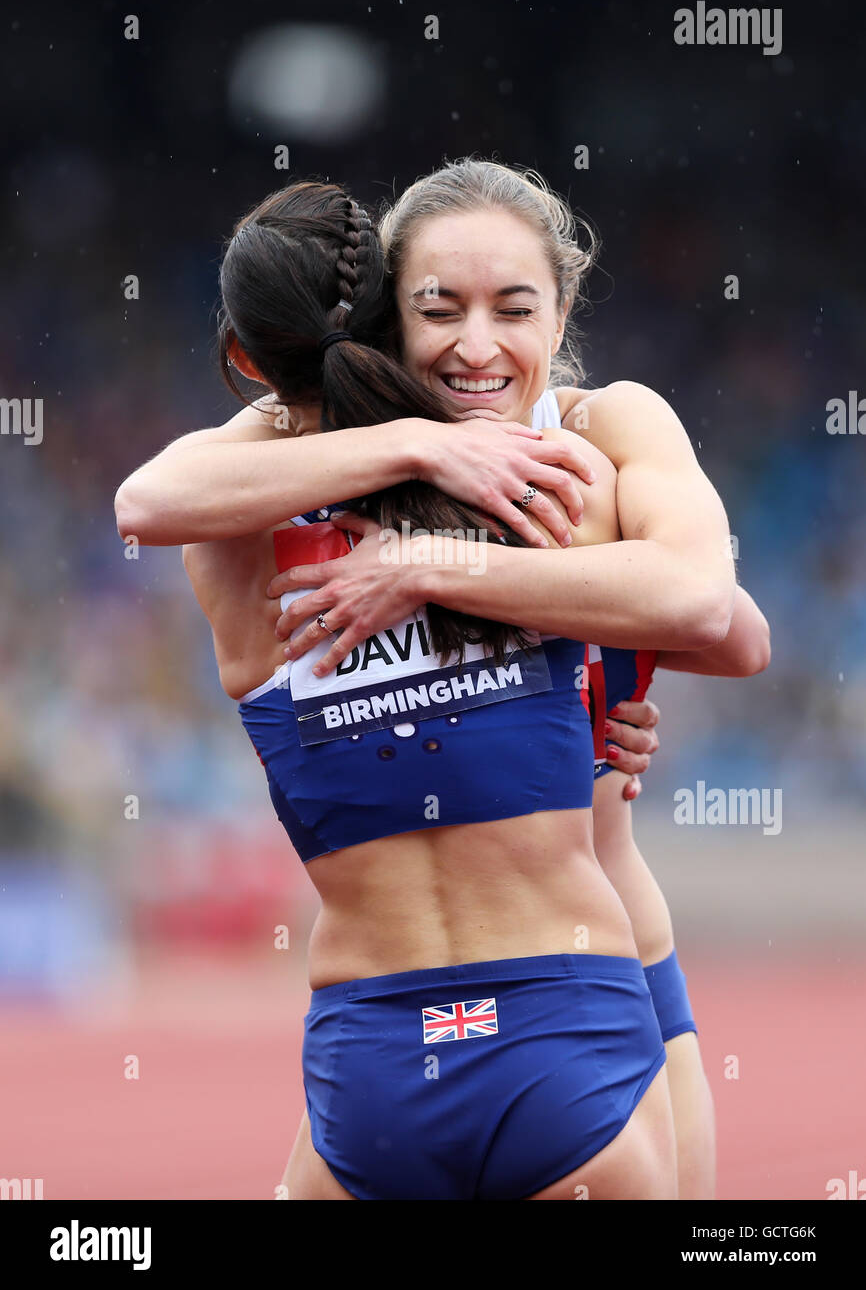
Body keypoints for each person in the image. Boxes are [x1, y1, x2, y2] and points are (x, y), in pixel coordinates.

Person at [115, 170, 769, 1198]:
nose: (474, 344)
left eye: (512, 309)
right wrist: (428, 450)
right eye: (436, 308)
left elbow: (720, 625)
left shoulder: (590, 435)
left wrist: (435, 569)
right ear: (381, 318)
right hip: (560, 1005)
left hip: (520, 992)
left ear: (562, 306)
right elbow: (145, 497)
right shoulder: (569, 487)